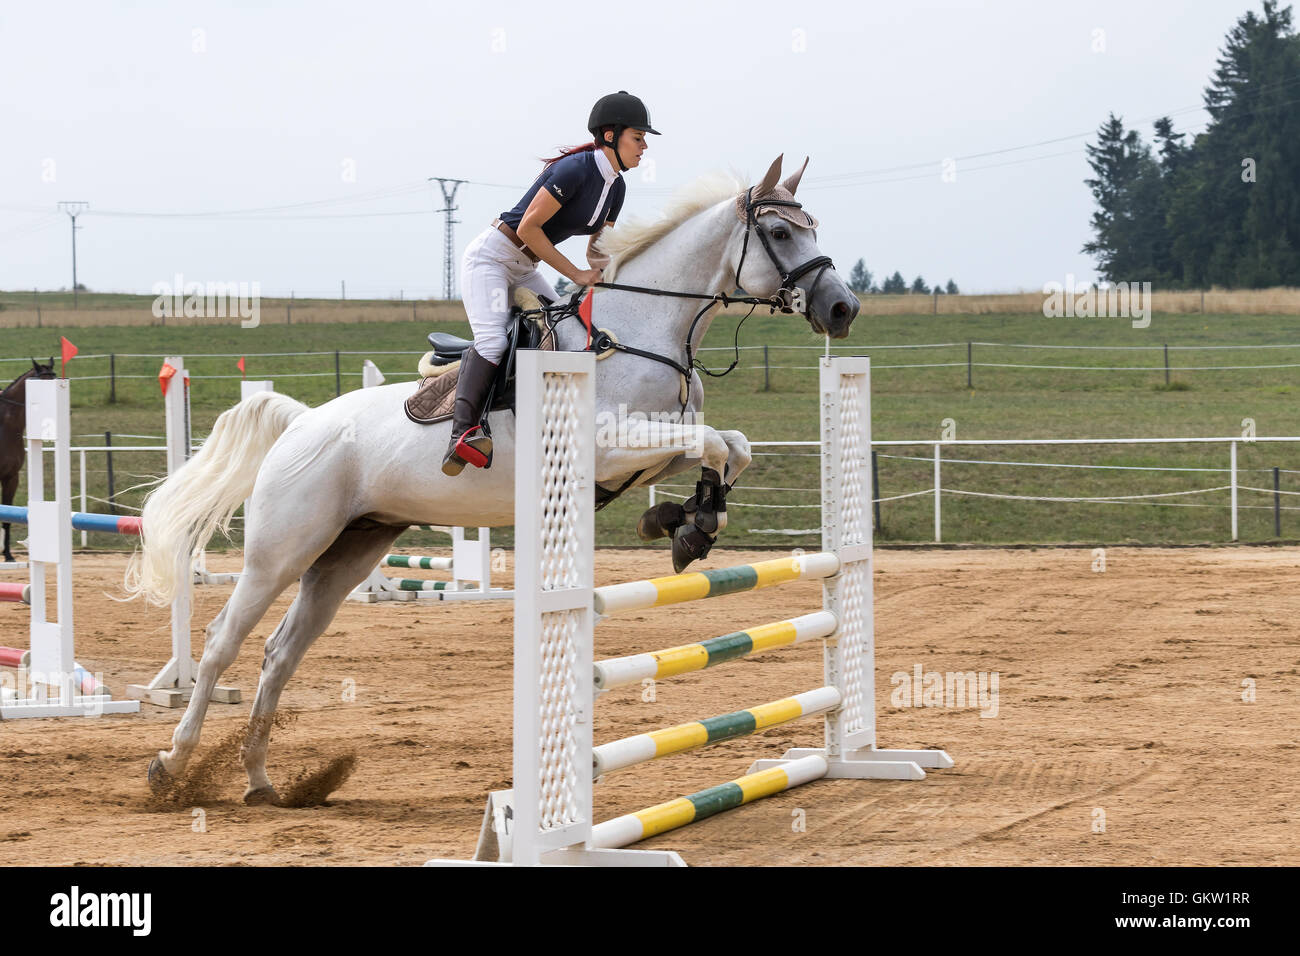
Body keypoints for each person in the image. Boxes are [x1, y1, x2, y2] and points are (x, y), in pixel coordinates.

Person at [442, 90, 659, 475]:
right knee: (493, 340)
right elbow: (529, 227)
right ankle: (463, 434)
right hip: (491, 259)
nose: (643, 148)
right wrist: (574, 274)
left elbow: (597, 251)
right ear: (610, 135)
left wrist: (620, 272)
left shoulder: (617, 188)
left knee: (568, 328)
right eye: (638, 138)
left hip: (525, 266)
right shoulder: (575, 170)